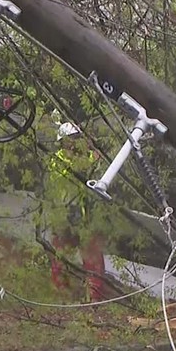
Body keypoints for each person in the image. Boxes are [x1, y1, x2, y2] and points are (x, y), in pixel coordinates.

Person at [47, 121, 108, 303]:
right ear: (64, 141)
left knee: (93, 259)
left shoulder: (81, 158)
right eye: (73, 139)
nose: (76, 143)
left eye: (78, 138)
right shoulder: (57, 159)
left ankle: (94, 298)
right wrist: (93, 154)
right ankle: (62, 296)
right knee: (60, 259)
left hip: (81, 218)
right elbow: (77, 168)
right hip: (63, 220)